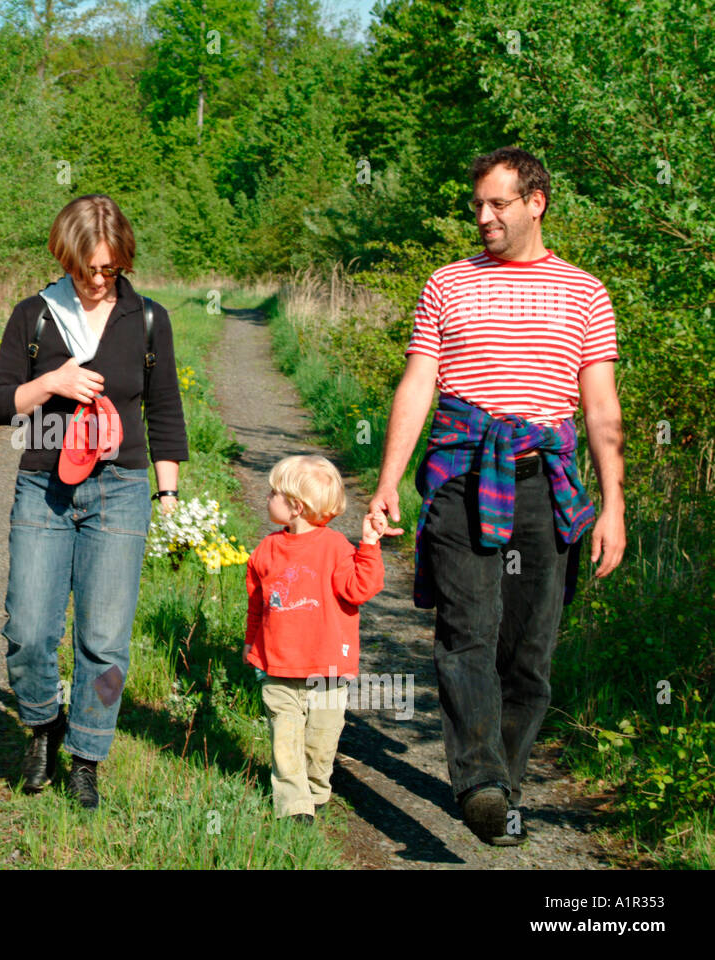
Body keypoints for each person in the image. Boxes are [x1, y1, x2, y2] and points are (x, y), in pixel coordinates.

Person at [368, 146, 625, 846]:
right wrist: (390, 480)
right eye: (478, 204)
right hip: (461, 474)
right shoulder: (447, 283)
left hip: (547, 484)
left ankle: (501, 786)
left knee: (528, 652)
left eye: (498, 204)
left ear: (535, 203)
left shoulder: (586, 292)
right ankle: (479, 782)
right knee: (467, 631)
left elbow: (600, 410)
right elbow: (419, 382)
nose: (483, 216)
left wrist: (615, 506)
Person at [0, 194, 188, 810]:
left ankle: (87, 756)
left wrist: (168, 492)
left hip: (120, 487)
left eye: (110, 269)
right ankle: (44, 724)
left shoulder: (147, 319)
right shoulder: (36, 316)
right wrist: (49, 383)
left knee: (104, 636)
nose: (99, 281)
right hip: (44, 483)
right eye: (87, 269)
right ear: (64, 258)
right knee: (28, 629)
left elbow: (167, 411)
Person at [244, 455, 384, 823]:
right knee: (284, 736)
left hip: (328, 667)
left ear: (295, 506)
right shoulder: (266, 551)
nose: (267, 497)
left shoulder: (336, 547)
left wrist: (369, 546)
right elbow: (256, 604)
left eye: (273, 492)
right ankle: (293, 804)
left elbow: (360, 590)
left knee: (321, 741)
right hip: (278, 664)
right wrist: (251, 641)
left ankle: (316, 790)